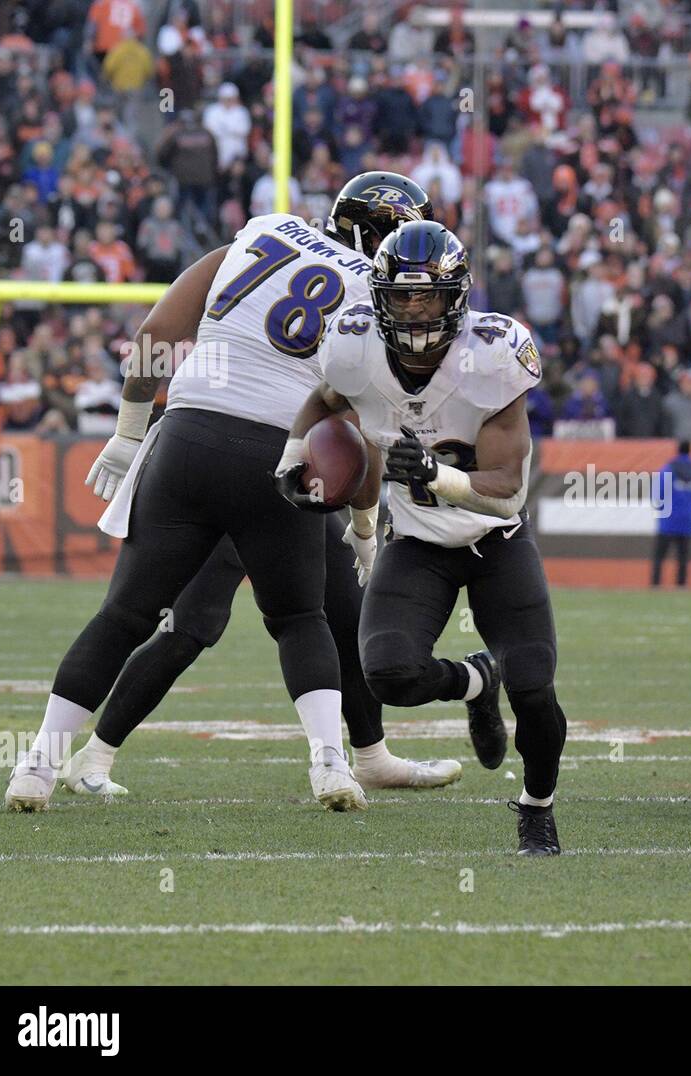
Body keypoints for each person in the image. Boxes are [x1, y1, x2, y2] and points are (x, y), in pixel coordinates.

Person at [5, 173, 437, 814]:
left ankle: (37, 766)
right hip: (278, 452)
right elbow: (365, 426)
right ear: (375, 235)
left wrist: (128, 433)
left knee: (123, 616)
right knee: (298, 618)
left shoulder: (263, 231)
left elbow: (157, 330)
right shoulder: (373, 294)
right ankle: (329, 767)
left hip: (185, 439)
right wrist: (366, 528)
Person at [278, 220, 569, 856]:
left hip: (497, 539)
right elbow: (324, 398)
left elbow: (508, 491)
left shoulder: (492, 356)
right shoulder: (354, 346)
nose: (414, 309)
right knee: (386, 673)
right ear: (379, 296)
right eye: (402, 296)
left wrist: (441, 476)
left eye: (428, 295)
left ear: (456, 296)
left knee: (534, 685)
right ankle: (473, 682)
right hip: (416, 544)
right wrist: (293, 455)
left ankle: (536, 807)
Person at [651, 441, 691, 588]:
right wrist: (689, 508)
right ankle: (681, 586)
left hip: (667, 520)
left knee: (659, 557)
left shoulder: (667, 470)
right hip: (687, 520)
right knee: (683, 558)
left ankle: (655, 586)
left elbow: (657, 492)